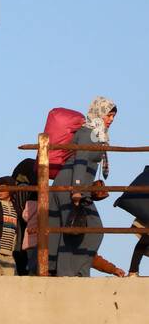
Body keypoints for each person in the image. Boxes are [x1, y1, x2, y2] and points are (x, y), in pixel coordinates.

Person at [49, 97, 116, 277]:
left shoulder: (97, 134)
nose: (111, 119)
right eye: (108, 115)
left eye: (113, 116)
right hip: (70, 185)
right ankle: (68, 272)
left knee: (84, 230)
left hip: (76, 186)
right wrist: (77, 189)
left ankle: (76, 270)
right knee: (83, 230)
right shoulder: (88, 132)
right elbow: (80, 161)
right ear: (99, 113)